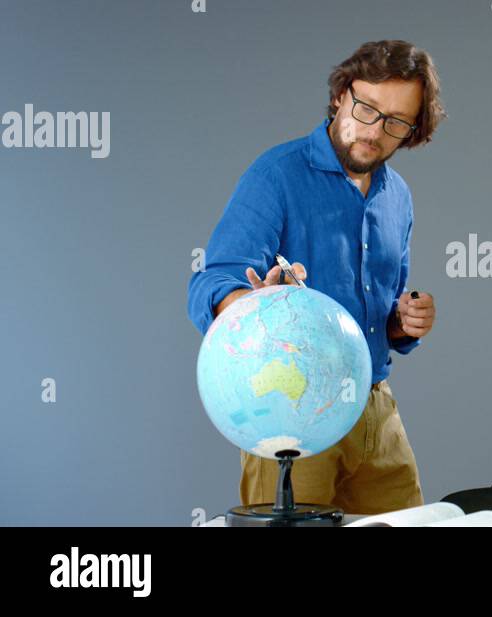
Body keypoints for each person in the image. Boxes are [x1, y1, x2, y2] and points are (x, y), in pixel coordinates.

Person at [187, 40, 446, 514]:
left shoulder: (398, 196)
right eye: (366, 109)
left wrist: (403, 320)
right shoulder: (276, 175)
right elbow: (209, 285)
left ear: (413, 130)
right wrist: (253, 302)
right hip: (293, 412)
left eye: (396, 122)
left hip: (375, 412)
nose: (375, 131)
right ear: (340, 95)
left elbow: (379, 315)